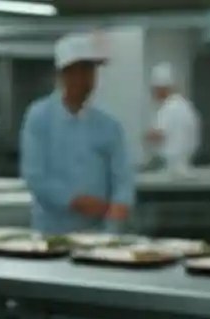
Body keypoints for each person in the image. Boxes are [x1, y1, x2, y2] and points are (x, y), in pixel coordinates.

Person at [20, 32, 134, 234]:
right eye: (79, 72)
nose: (86, 80)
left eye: (90, 72)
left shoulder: (108, 125)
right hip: (51, 234)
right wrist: (75, 201)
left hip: (98, 234)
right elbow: (35, 177)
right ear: (63, 74)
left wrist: (121, 203)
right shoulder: (39, 117)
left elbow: (122, 175)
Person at [146, 62, 200, 172]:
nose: (153, 94)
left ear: (162, 89)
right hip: (186, 165)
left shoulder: (168, 107)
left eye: (154, 90)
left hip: (168, 166)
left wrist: (147, 136)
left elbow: (157, 134)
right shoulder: (186, 106)